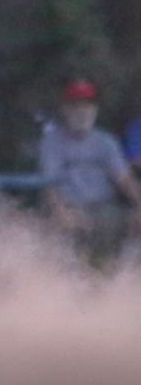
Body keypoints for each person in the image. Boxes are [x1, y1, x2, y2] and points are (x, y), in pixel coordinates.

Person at [39, 79, 141, 261]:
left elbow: (124, 179)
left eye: (88, 105)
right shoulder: (51, 143)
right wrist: (59, 209)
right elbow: (49, 183)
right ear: (65, 109)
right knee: (62, 228)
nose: (82, 111)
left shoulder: (106, 141)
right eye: (76, 105)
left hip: (104, 207)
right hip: (70, 206)